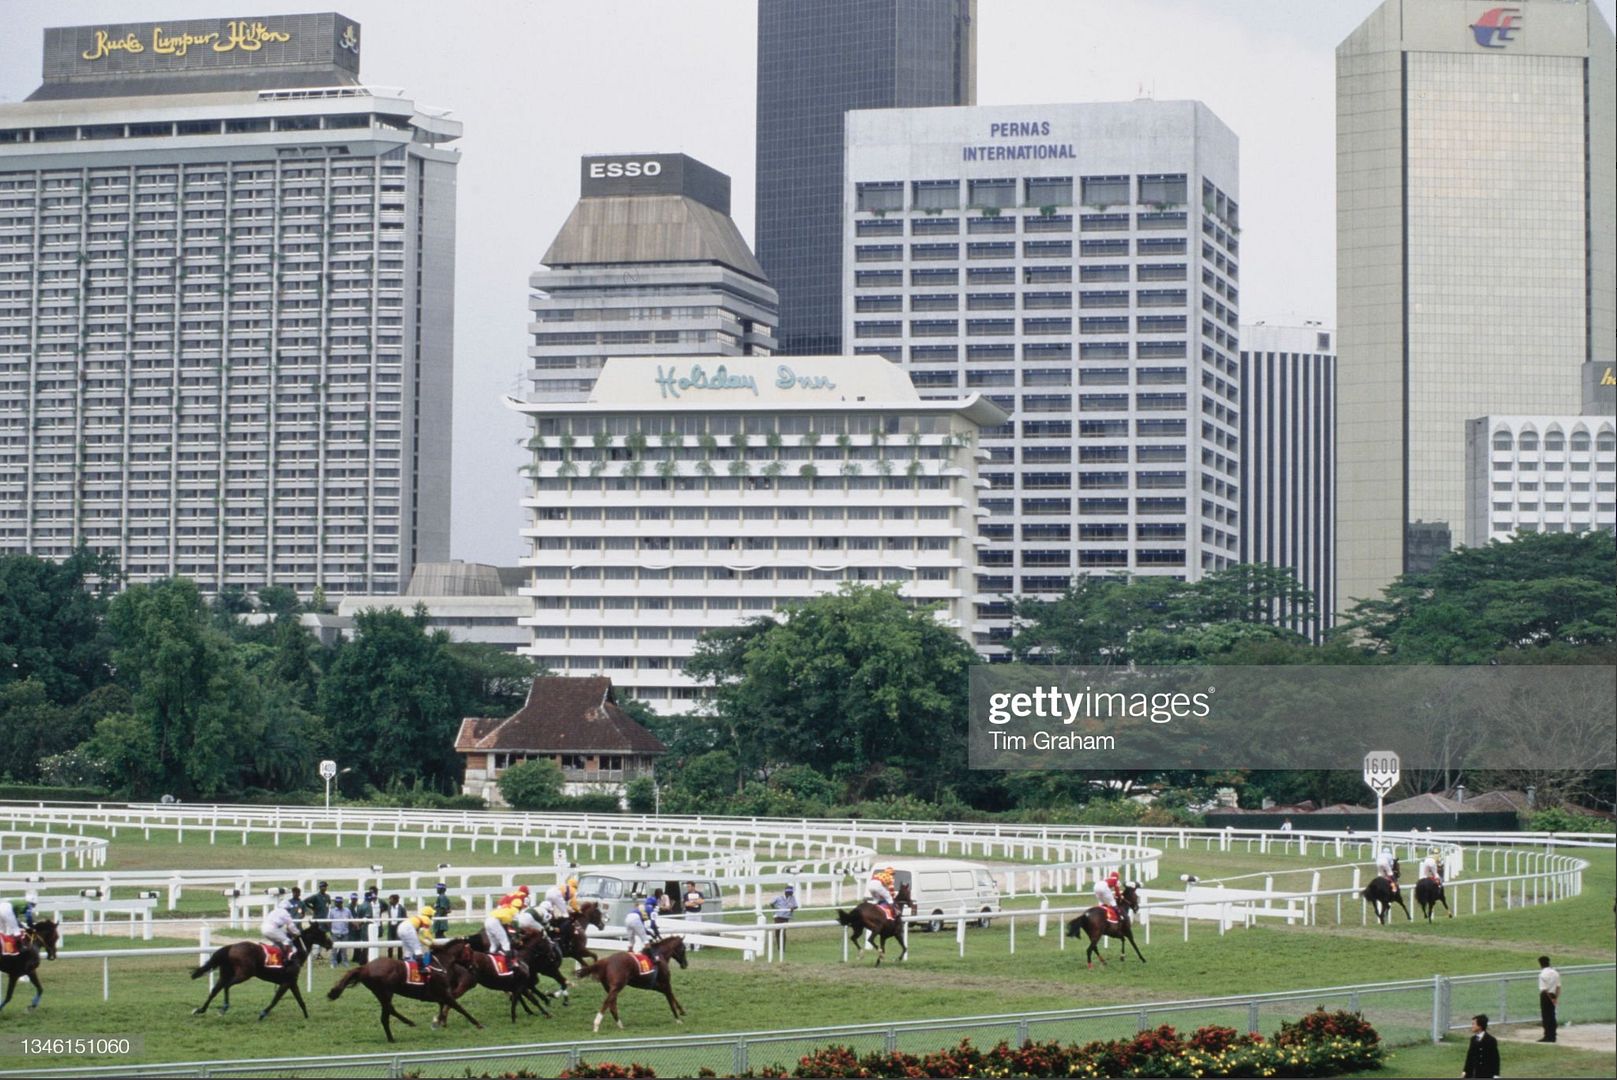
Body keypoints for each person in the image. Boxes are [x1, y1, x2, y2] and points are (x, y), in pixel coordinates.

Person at [1462, 1013, 1500, 1078]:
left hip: (1486, 1074)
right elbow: (1469, 1057)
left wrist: (1496, 1074)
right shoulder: (1473, 1039)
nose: (1472, 1026)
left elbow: (1495, 1059)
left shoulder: (1491, 1040)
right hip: (1473, 1073)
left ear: (1480, 1026)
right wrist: (1465, 1070)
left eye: (1473, 1024)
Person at [397, 907, 436, 971]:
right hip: (408, 928)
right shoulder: (427, 920)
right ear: (429, 915)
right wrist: (432, 942)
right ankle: (421, 968)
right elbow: (426, 935)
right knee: (417, 948)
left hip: (400, 928)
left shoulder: (419, 917)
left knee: (408, 949)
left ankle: (407, 966)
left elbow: (420, 936)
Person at [1537, 955, 1560, 1042]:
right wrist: (1555, 998)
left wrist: (1550, 998)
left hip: (1546, 996)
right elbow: (1558, 986)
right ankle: (1553, 1035)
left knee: (1546, 1016)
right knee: (1552, 1016)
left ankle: (1547, 1035)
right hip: (1554, 994)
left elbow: (1545, 989)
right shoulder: (1555, 972)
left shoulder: (1542, 974)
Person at [328, 896, 351, 967]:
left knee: (344, 950)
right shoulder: (332, 911)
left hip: (345, 932)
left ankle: (345, 962)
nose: (336, 904)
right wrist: (330, 930)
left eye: (338, 902)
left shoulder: (347, 910)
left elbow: (351, 919)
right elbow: (328, 921)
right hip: (335, 932)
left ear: (341, 902)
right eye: (336, 902)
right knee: (334, 949)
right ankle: (333, 963)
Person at [383, 893, 407, 959]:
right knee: (390, 944)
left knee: (399, 944)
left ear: (396, 900)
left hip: (398, 928)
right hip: (391, 928)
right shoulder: (389, 907)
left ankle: (400, 958)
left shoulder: (402, 908)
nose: (389, 901)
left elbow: (405, 918)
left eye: (391, 900)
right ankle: (389, 958)